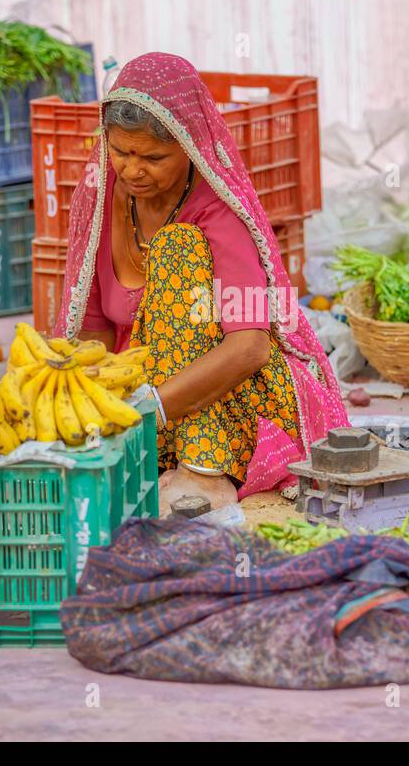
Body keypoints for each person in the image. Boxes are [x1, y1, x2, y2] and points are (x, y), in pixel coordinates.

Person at [55, 52, 348, 511]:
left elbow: (250, 346)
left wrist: (148, 410)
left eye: (153, 157)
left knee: (176, 248)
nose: (132, 170)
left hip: (236, 392)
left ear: (189, 147)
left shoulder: (217, 210)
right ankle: (167, 457)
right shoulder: (100, 201)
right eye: (120, 152)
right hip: (151, 395)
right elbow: (94, 336)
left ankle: (203, 471)